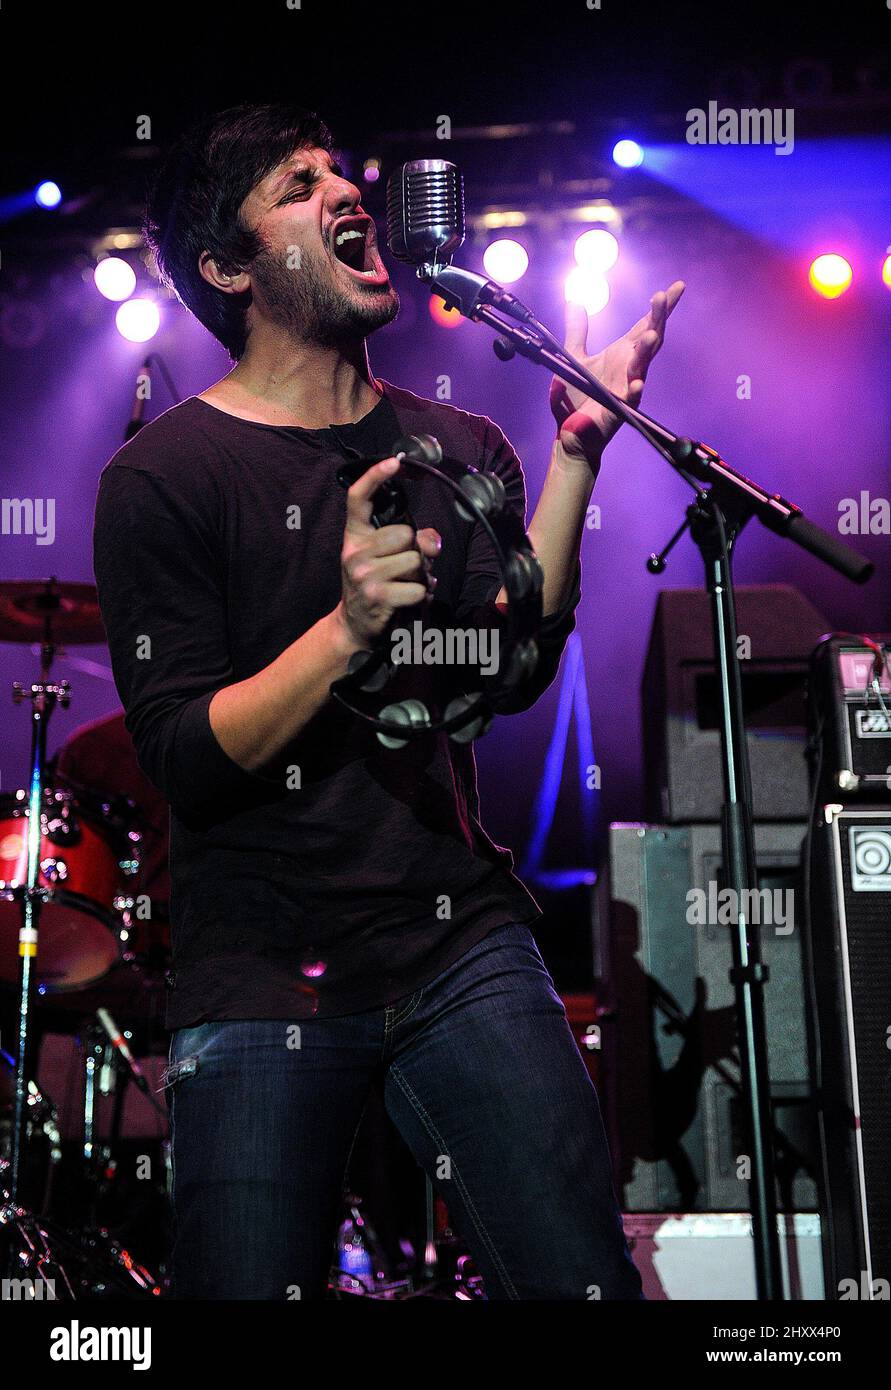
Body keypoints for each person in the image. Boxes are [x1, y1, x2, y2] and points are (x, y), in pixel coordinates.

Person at [93, 102, 683, 1300]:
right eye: (296, 185)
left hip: (456, 935)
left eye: (339, 170)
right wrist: (348, 627)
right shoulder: (160, 477)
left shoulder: (456, 443)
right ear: (226, 266)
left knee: (581, 1279)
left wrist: (576, 453)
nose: (346, 189)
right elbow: (187, 758)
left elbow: (510, 668)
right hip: (262, 966)